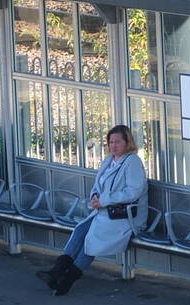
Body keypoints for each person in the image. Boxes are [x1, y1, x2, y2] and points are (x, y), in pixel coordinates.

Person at [37, 125, 148, 296]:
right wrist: (95, 196)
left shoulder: (132, 161)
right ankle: (57, 272)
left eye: (118, 142)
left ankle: (67, 280)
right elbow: (98, 185)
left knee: (93, 240)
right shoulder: (108, 161)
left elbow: (133, 192)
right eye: (111, 142)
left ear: (128, 142)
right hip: (105, 211)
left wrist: (104, 200)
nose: (114, 145)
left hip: (124, 216)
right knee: (81, 230)